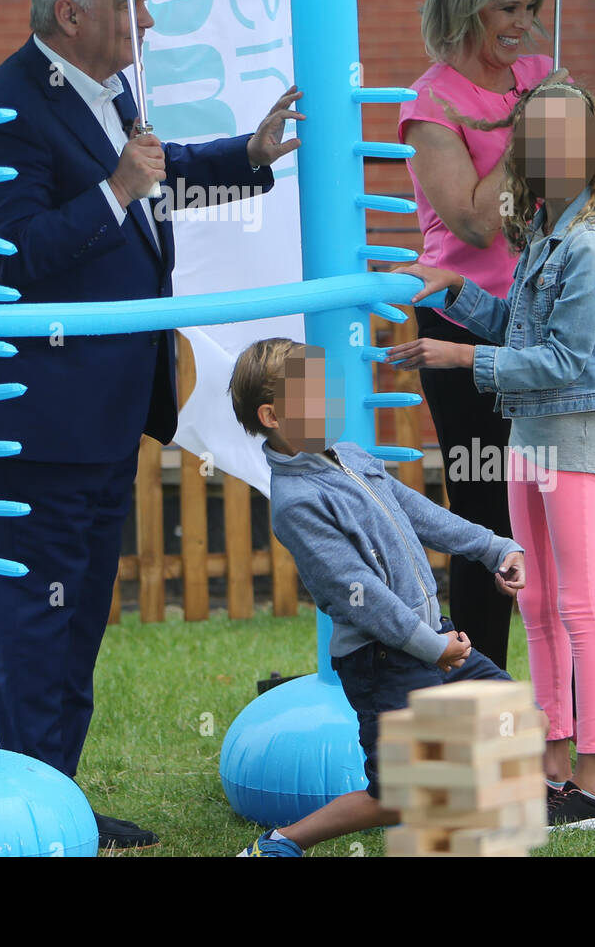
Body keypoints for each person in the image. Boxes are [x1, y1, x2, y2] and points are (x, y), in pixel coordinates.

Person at [0, 0, 301, 852]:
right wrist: (113, 189)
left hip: (106, 415)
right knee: (38, 621)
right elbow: (11, 259)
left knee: (78, 619)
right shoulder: (4, 110)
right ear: (70, 14)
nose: (148, 20)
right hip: (36, 422)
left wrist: (249, 153)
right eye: (130, 5)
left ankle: (59, 802)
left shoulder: (108, 90)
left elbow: (160, 172)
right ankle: (37, 808)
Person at [399, 0, 595, 783]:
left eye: (533, 9)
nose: (527, 26)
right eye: (511, 9)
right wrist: (530, 136)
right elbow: (470, 218)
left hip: (551, 328)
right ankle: (489, 730)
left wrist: (546, 126)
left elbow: (588, 168)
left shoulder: (544, 81)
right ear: (470, 6)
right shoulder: (432, 103)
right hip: (471, 328)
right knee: (490, 533)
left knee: (582, 545)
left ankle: (583, 738)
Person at [227, 338, 527, 858]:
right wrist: (431, 648)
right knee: (396, 797)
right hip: (384, 658)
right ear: (273, 414)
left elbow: (418, 511)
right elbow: (356, 596)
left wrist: (493, 547)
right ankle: (282, 843)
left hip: (429, 637)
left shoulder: (350, 457)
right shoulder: (298, 502)